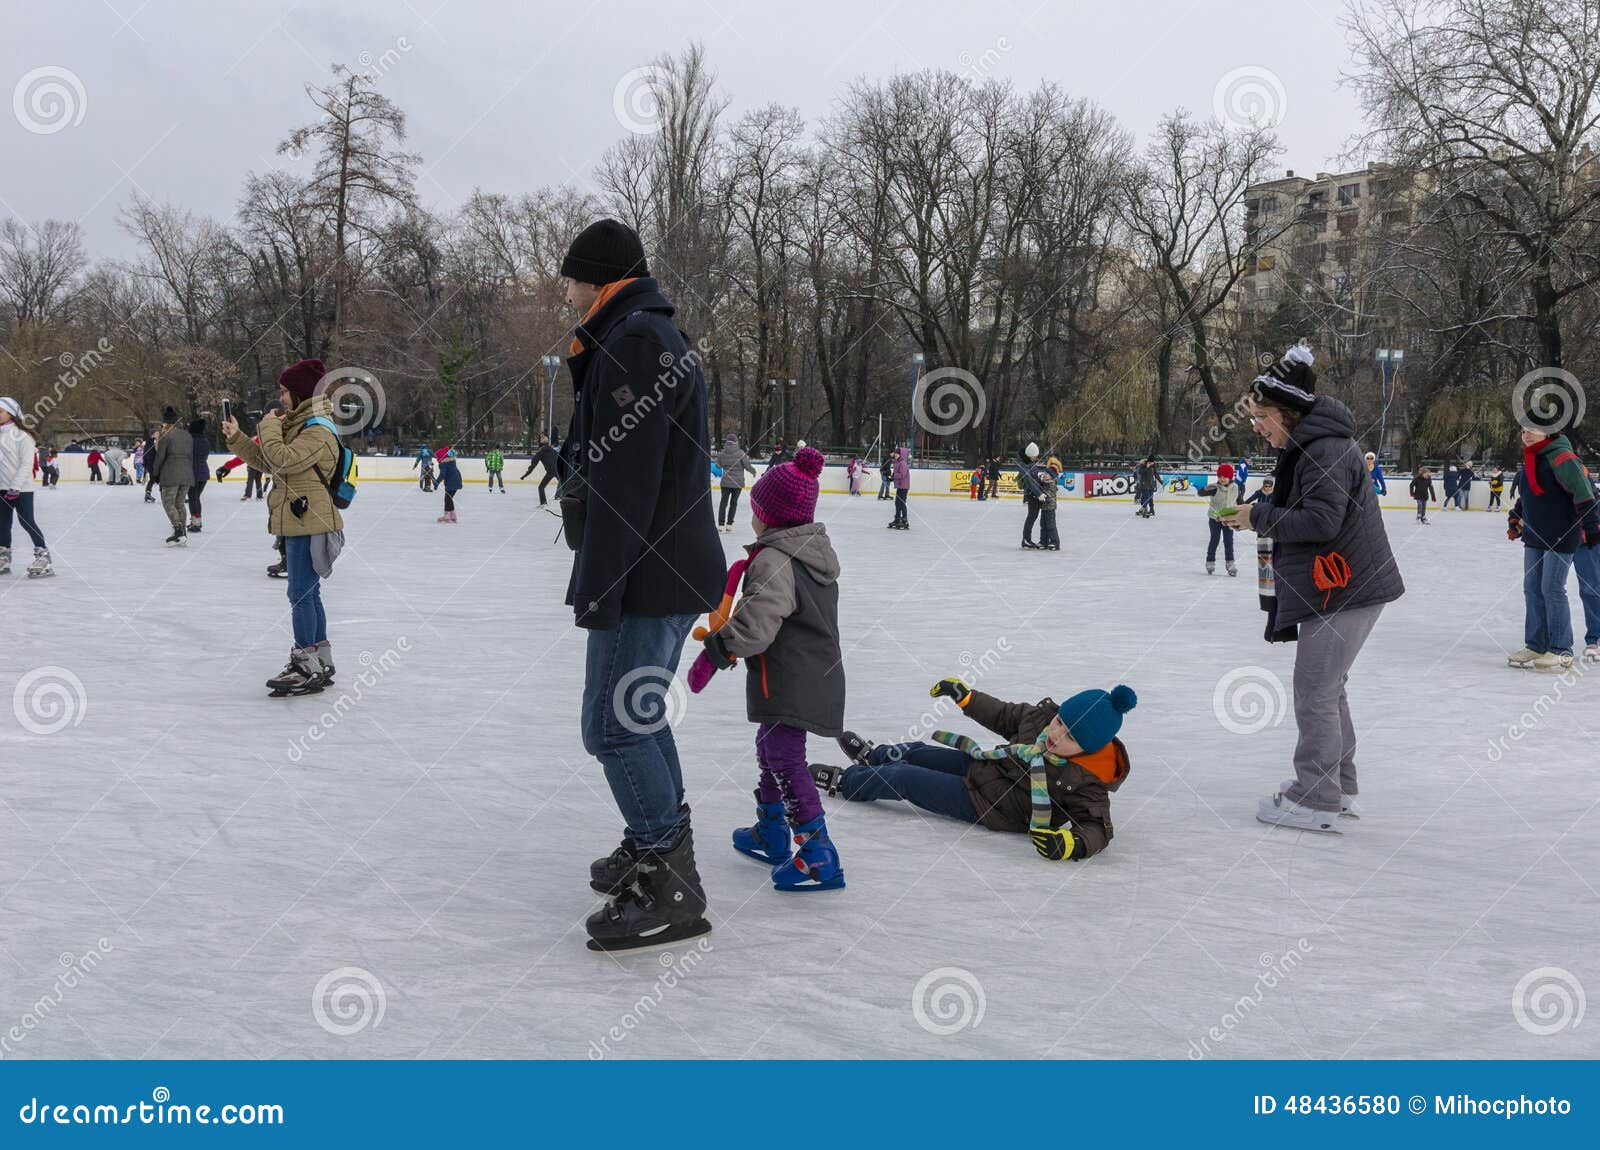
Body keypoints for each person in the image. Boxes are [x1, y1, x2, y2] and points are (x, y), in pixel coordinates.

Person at [556, 218, 725, 952]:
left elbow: (627, 483)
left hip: (646, 571)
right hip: (659, 565)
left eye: (571, 279)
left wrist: (604, 585)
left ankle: (668, 879)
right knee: (631, 720)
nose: (566, 292)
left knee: (616, 725)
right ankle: (653, 841)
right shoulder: (641, 335)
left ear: (598, 279)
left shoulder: (633, 342)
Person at [1222, 341, 1405, 833]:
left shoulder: (1322, 448)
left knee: (1314, 691)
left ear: (1288, 411)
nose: (1256, 425)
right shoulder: (1314, 443)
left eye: (1261, 415)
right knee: (1330, 689)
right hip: (1348, 585)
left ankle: (1317, 797)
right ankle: (1339, 787)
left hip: (1345, 588)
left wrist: (1256, 515)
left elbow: (1321, 521)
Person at [686, 446, 846, 891]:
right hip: (808, 673)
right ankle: (772, 831)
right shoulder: (811, 552)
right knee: (770, 746)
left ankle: (818, 855)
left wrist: (717, 650)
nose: (753, 517)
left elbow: (757, 625)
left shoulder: (776, 560)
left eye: (756, 509)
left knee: (783, 755)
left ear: (769, 516)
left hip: (791, 678)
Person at [816, 677, 1135, 864]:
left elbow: (1098, 827)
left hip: (993, 807)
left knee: (905, 778)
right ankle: (875, 757)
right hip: (988, 767)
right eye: (1060, 723)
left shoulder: (1088, 780)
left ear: (1089, 748)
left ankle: (847, 782)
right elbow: (1003, 715)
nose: (1055, 735)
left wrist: (1071, 845)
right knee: (917, 752)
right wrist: (966, 698)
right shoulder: (1042, 720)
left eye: (1069, 737)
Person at [222, 359, 345, 696]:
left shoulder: (318, 429)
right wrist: (238, 439)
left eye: (285, 391)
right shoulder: (303, 426)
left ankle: (305, 664)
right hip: (300, 518)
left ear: (301, 391)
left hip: (309, 519)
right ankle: (319, 658)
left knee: (300, 593)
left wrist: (269, 426)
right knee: (308, 592)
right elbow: (272, 464)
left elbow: (284, 459)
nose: (282, 397)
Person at [1506, 422, 1599, 670]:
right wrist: (1515, 517)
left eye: (1531, 430)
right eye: (1523, 430)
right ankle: (1536, 645)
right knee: (1532, 588)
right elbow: (1528, 495)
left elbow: (1583, 493)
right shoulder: (1532, 458)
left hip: (1561, 535)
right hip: (1536, 536)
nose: (1525, 435)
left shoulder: (1562, 457)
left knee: (1552, 589)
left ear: (1548, 433)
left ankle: (1561, 649)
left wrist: (1591, 526)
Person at [0, 397, 52, 577]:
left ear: (11, 414)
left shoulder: (23, 436)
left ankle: (43, 557)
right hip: (1, 487)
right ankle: (4, 557)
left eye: (1, 411)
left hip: (22, 488)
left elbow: (26, 464)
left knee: (26, 521)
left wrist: (15, 487)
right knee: (2, 524)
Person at [150, 410, 193, 546]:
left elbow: (160, 457)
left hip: (170, 473)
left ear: (166, 423)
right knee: (179, 503)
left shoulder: (165, 435)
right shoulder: (187, 435)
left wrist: (155, 473)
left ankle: (178, 530)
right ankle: (183, 534)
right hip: (186, 472)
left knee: (168, 502)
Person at [1198, 462, 1239, 575]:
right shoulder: (1214, 488)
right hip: (1215, 519)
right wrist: (1205, 488)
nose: (1222, 479)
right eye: (1220, 476)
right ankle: (1210, 561)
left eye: (1224, 476)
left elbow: (1239, 501)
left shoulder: (1235, 487)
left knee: (1229, 541)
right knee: (1214, 540)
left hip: (1228, 518)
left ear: (1230, 477)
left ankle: (1230, 563)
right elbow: (1200, 493)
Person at [714, 431, 758, 532]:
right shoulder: (741, 453)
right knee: (733, 503)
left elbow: (717, 466)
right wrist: (754, 471)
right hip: (737, 483)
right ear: (735, 442)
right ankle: (729, 524)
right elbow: (747, 466)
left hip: (725, 482)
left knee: (723, 503)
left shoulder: (722, 453)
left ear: (727, 442)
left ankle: (721, 525)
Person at [520, 434, 562, 505]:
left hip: (551, 472)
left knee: (541, 487)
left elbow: (533, 465)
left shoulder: (540, 452)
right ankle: (566, 499)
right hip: (557, 470)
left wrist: (525, 475)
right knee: (564, 484)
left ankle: (543, 503)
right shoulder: (552, 450)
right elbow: (560, 459)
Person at [1017, 441, 1044, 548]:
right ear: (1029, 455)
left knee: (1033, 516)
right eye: (1034, 456)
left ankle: (1027, 539)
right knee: (1031, 517)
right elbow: (1029, 481)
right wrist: (1039, 494)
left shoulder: (1030, 463)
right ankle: (1026, 540)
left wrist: (1040, 478)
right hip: (1032, 494)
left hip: (1035, 493)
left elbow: (1034, 478)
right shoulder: (1023, 465)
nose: (1036, 458)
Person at [187, 418, 211, 533]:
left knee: (193, 498)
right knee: (196, 498)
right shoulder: (205, 440)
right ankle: (197, 521)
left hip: (193, 473)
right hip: (204, 473)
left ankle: (196, 522)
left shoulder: (189, 440)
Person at [435, 447, 462, 522]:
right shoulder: (452, 461)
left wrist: (436, 483)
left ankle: (446, 516)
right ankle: (453, 516)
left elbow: (442, 474)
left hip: (451, 482)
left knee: (447, 499)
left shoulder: (443, 464)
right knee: (449, 498)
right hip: (457, 481)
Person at [888, 446, 911, 529]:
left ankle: (905, 520)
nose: (896, 455)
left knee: (902, 503)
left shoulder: (903, 463)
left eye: (898, 453)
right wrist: (891, 477)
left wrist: (894, 476)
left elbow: (902, 475)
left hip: (904, 487)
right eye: (896, 453)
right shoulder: (898, 462)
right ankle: (897, 519)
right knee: (897, 503)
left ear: (901, 454)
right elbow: (896, 473)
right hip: (900, 486)